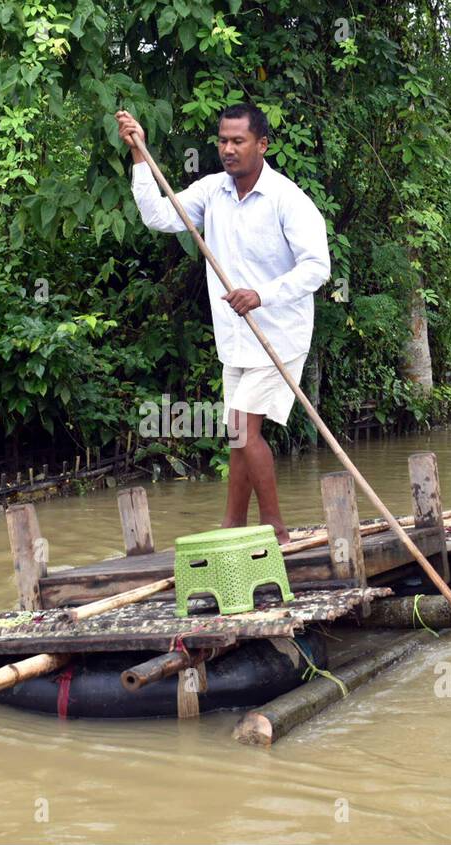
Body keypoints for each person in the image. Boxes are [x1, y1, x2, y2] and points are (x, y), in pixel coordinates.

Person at [115, 103, 331, 544]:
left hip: (278, 334)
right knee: (238, 434)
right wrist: (140, 155)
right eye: (223, 141)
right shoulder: (213, 191)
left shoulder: (288, 199)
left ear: (262, 145)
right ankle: (233, 526)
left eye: (238, 141)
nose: (228, 150)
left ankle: (275, 530)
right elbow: (158, 217)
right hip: (234, 339)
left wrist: (261, 294)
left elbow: (317, 268)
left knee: (243, 431)